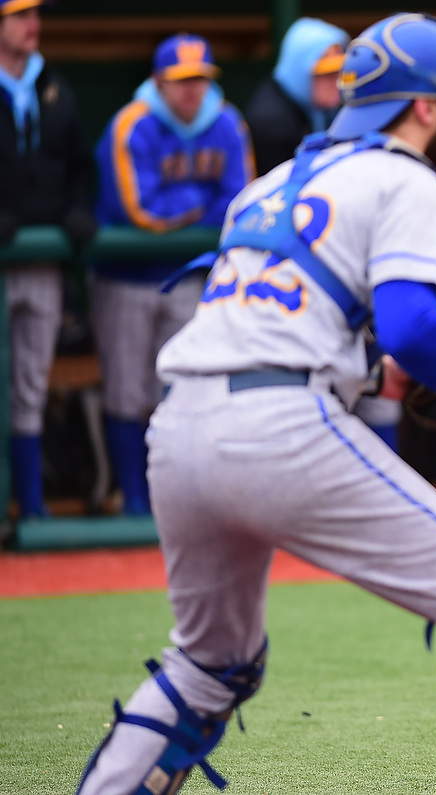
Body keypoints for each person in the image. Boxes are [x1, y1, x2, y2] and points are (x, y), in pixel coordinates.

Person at [74, 14, 436, 795]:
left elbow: (269, 328)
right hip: (281, 428)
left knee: (210, 663)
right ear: (421, 107)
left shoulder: (268, 182)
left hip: (178, 433)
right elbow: (413, 326)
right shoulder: (408, 177)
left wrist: (381, 379)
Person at [92, 33, 254, 515]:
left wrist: (183, 203)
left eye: (200, 80)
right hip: (126, 277)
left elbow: (239, 201)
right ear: (159, 82)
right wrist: (201, 204)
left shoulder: (227, 122)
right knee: (127, 391)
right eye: (182, 81)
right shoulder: (132, 125)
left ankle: (181, 499)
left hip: (188, 278)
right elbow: (138, 209)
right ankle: (134, 500)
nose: (191, 91)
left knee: (187, 390)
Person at [0, 0, 93, 518]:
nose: (32, 24)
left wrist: (78, 210)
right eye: (18, 16)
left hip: (41, 262)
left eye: (35, 14)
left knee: (32, 386)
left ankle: (32, 510)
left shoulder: (52, 88)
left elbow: (79, 164)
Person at [244, 17, 347, 177]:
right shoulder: (273, 125)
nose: (337, 83)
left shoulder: (309, 105)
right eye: (326, 74)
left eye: (339, 72)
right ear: (301, 74)